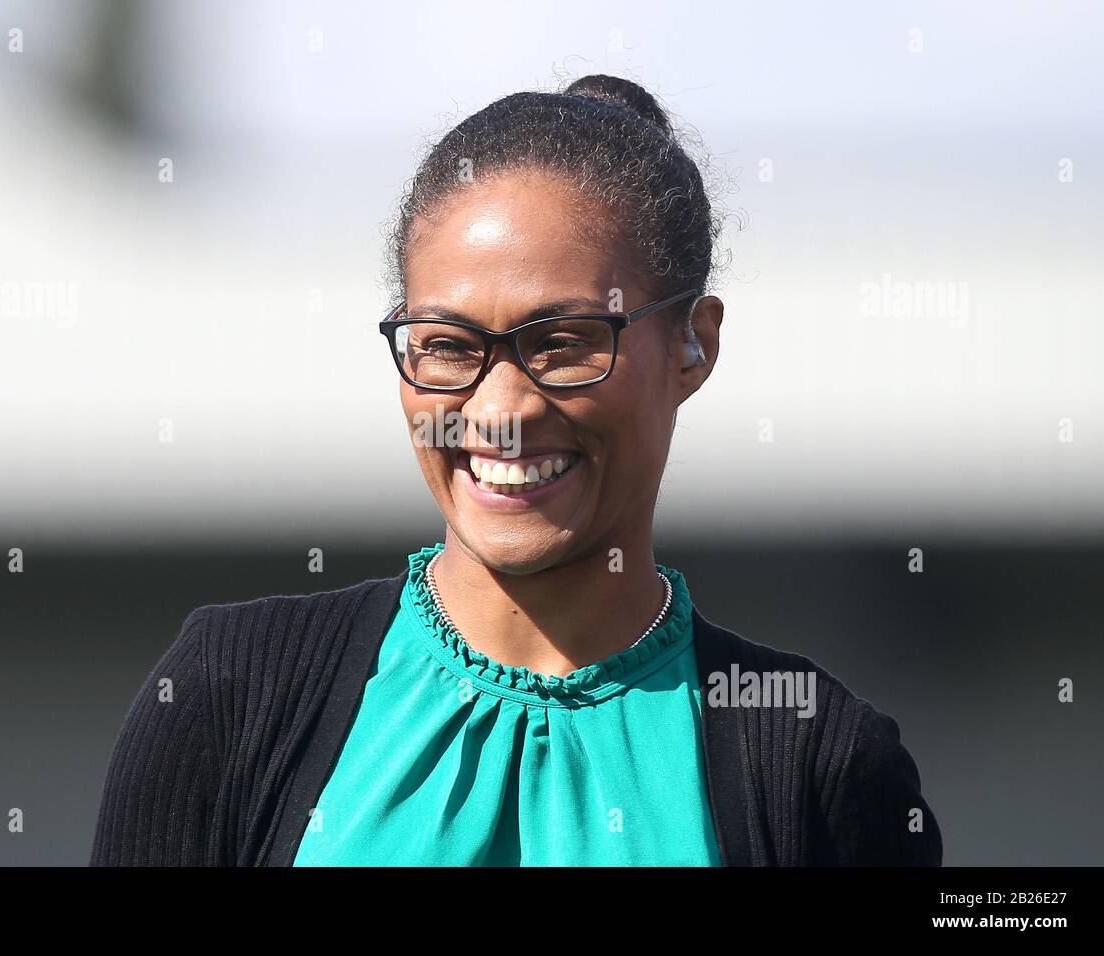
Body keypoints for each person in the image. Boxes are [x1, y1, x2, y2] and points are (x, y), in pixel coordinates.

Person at [90, 74, 941, 867]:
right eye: (449, 346)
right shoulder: (229, 691)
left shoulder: (813, 759)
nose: (500, 407)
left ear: (694, 344)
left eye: (563, 344)